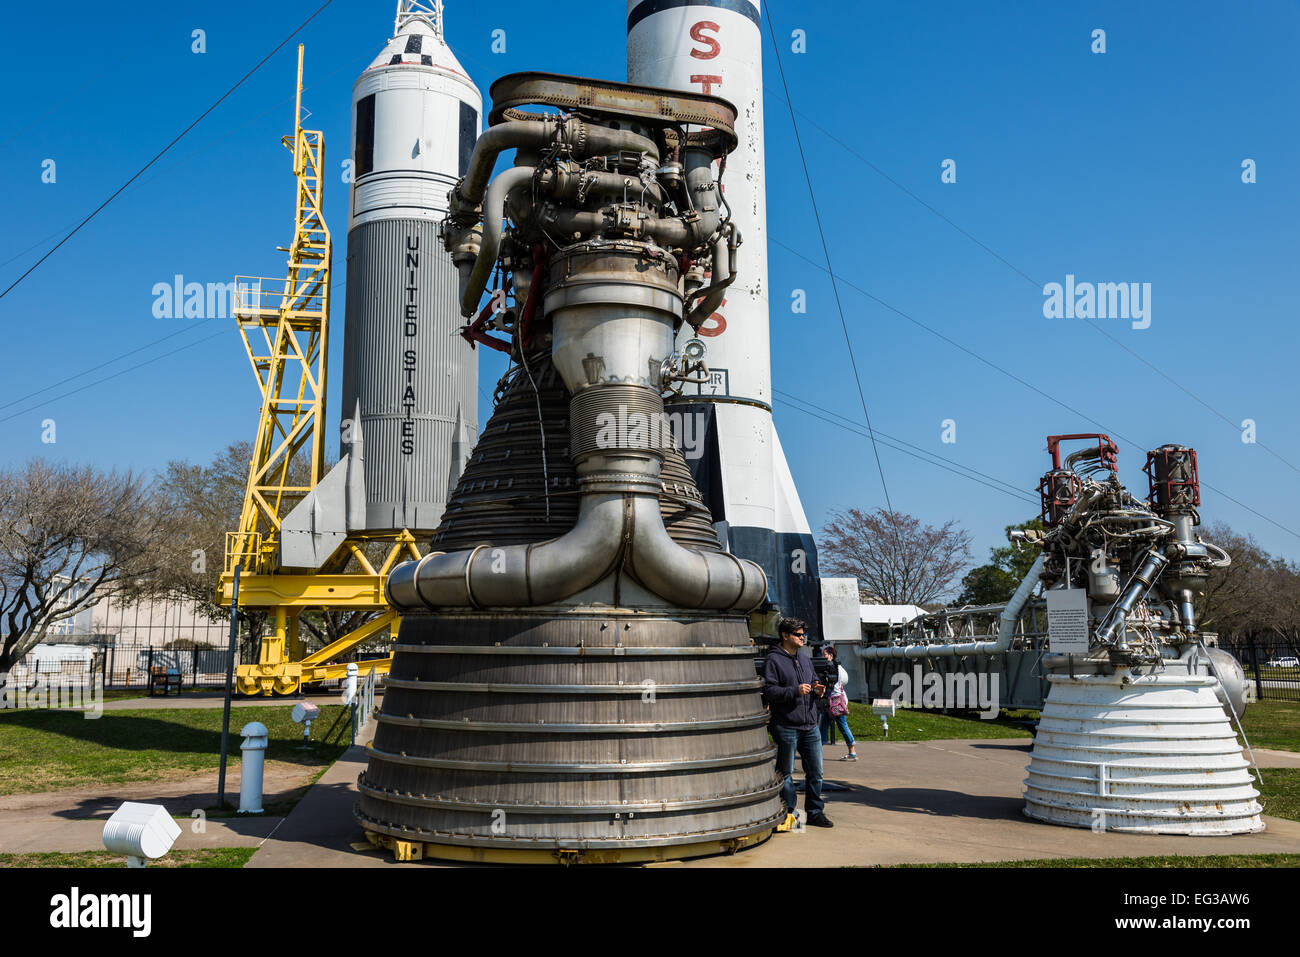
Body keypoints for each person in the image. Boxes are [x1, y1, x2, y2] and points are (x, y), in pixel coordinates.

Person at [762, 618, 833, 828]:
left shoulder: (805, 658)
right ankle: (790, 813)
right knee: (786, 773)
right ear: (785, 636)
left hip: (810, 724)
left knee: (816, 773)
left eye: (803, 635)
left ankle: (814, 812)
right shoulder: (773, 660)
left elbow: (811, 681)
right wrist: (795, 691)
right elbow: (770, 691)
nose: (803, 638)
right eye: (798, 635)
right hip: (786, 725)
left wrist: (817, 688)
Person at [819, 645, 857, 761]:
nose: (822, 657)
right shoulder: (837, 666)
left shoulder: (832, 667)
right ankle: (817, 750)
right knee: (824, 724)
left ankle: (852, 752)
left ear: (830, 656)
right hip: (834, 700)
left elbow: (831, 683)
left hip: (835, 701)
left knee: (842, 725)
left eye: (824, 655)